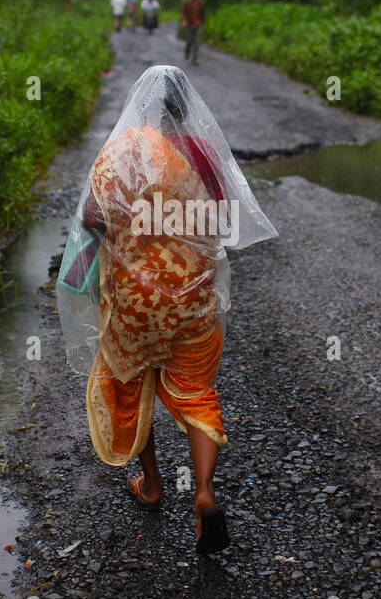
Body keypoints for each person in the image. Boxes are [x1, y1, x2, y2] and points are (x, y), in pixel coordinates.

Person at [57, 65, 277, 555]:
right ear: (185, 105)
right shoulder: (202, 152)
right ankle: (204, 493)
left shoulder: (123, 151)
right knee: (196, 392)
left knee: (133, 388)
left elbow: (92, 217)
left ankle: (153, 484)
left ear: (141, 106)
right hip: (192, 303)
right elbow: (225, 218)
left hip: (133, 307)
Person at [181, 0, 205, 65]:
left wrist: (202, 25)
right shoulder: (187, 2)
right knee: (189, 41)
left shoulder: (200, 3)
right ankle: (187, 52)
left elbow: (203, 14)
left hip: (198, 25)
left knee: (197, 42)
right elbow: (183, 13)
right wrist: (184, 21)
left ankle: (195, 59)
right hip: (190, 25)